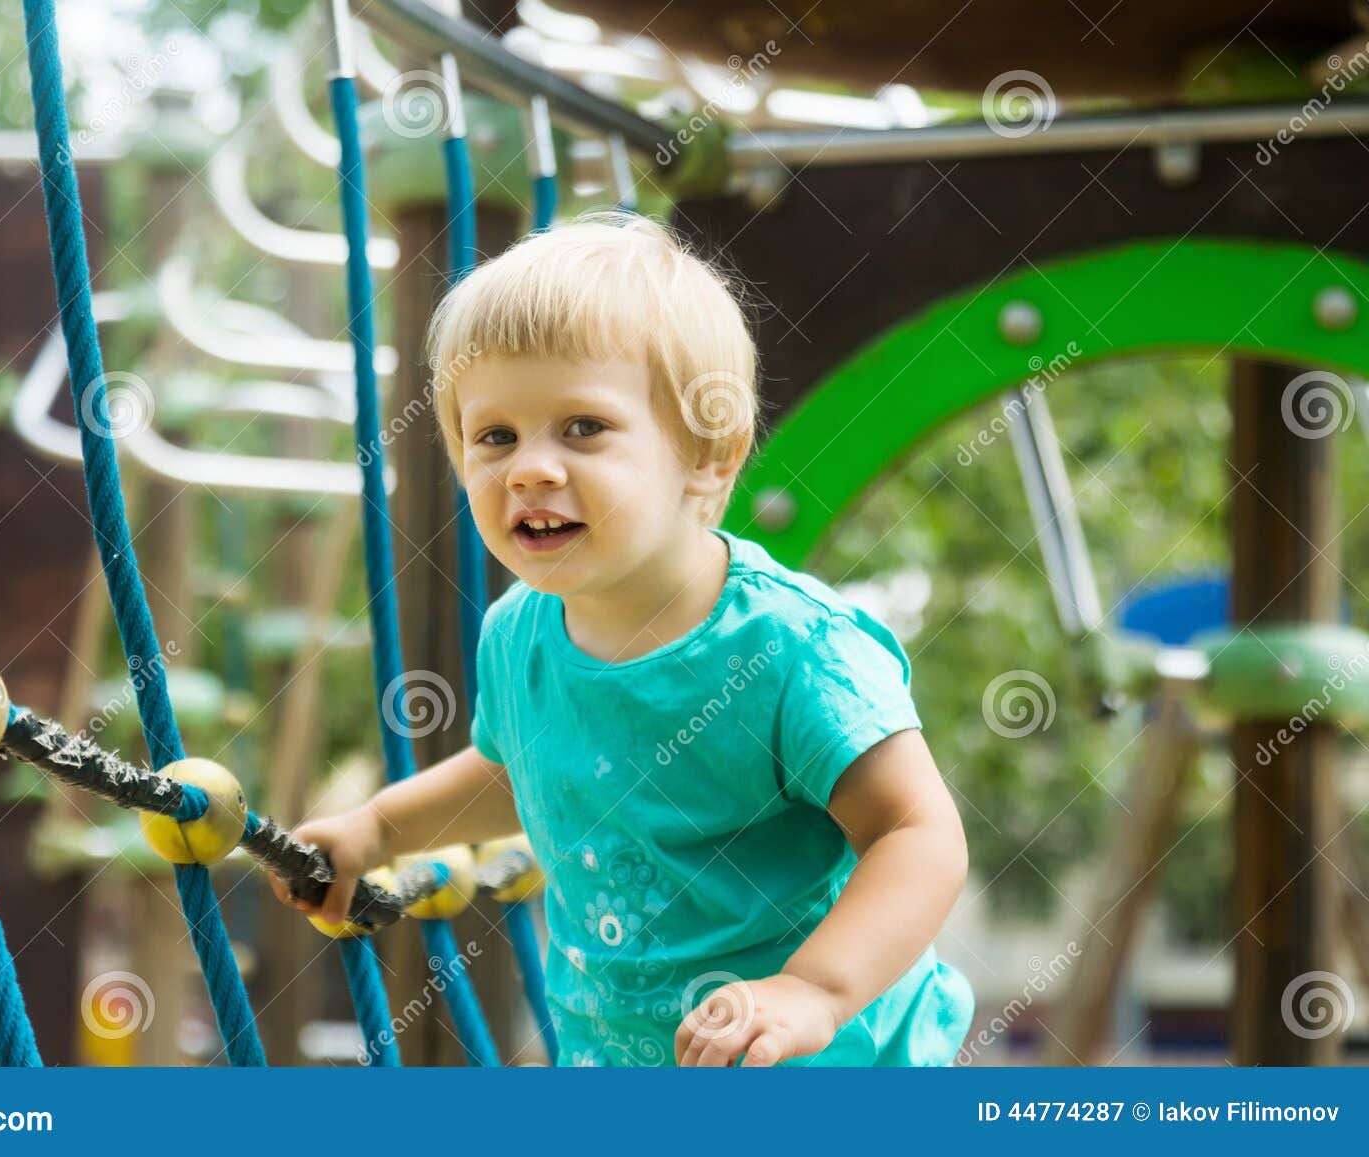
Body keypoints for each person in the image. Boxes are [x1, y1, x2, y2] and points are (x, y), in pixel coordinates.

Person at [269, 212, 974, 1067]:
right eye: (495, 436)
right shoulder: (517, 632)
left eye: (582, 428)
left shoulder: (790, 648)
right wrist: (380, 826)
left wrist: (811, 990)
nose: (530, 466)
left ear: (707, 455)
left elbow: (917, 832)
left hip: (824, 1066)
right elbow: (523, 768)